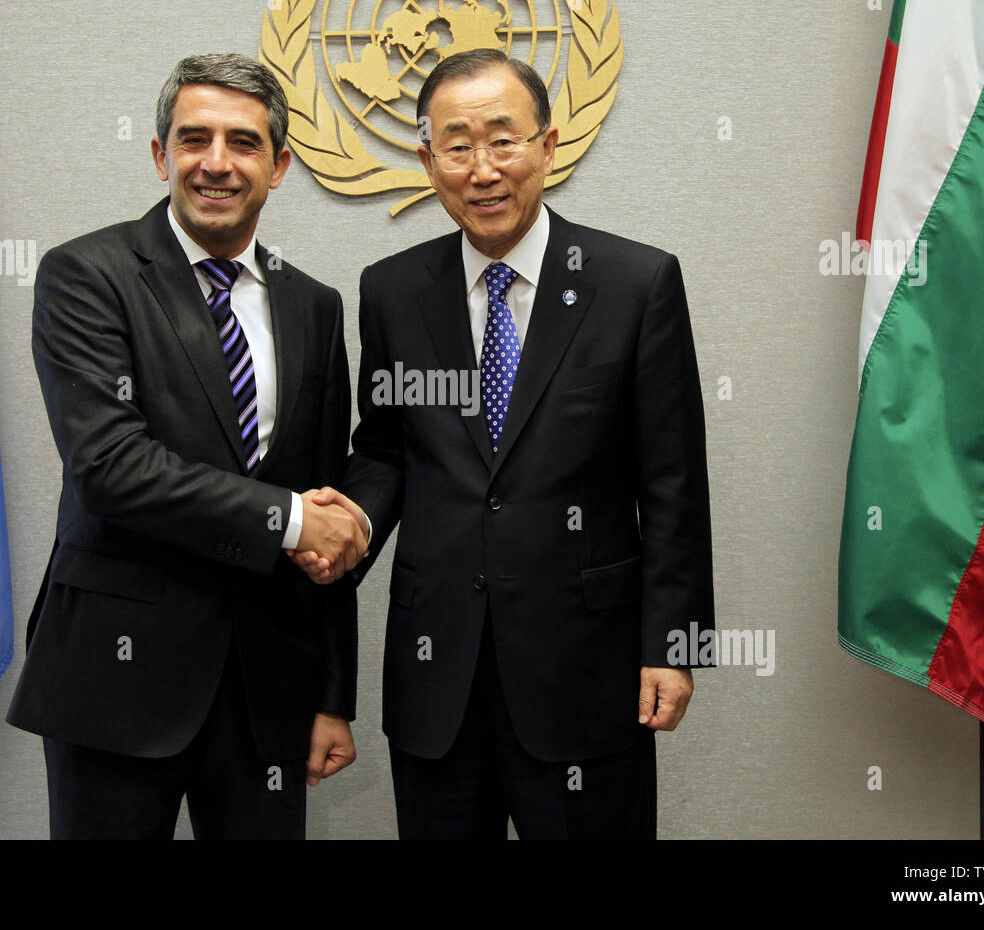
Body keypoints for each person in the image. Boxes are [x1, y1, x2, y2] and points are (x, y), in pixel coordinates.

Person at [294, 48, 714, 839]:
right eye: (457, 145)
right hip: (436, 672)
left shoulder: (635, 282)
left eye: (503, 139)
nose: (482, 168)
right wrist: (347, 522)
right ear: (427, 160)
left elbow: (672, 481)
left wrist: (674, 642)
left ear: (548, 146)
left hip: (586, 669)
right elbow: (386, 448)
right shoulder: (391, 290)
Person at [6, 53, 366, 839]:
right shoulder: (86, 274)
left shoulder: (317, 306)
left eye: (243, 142)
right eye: (193, 138)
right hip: (114, 679)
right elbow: (110, 467)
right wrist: (290, 521)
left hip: (267, 687)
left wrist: (332, 692)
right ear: (161, 155)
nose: (216, 162)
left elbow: (326, 497)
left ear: (280, 165)